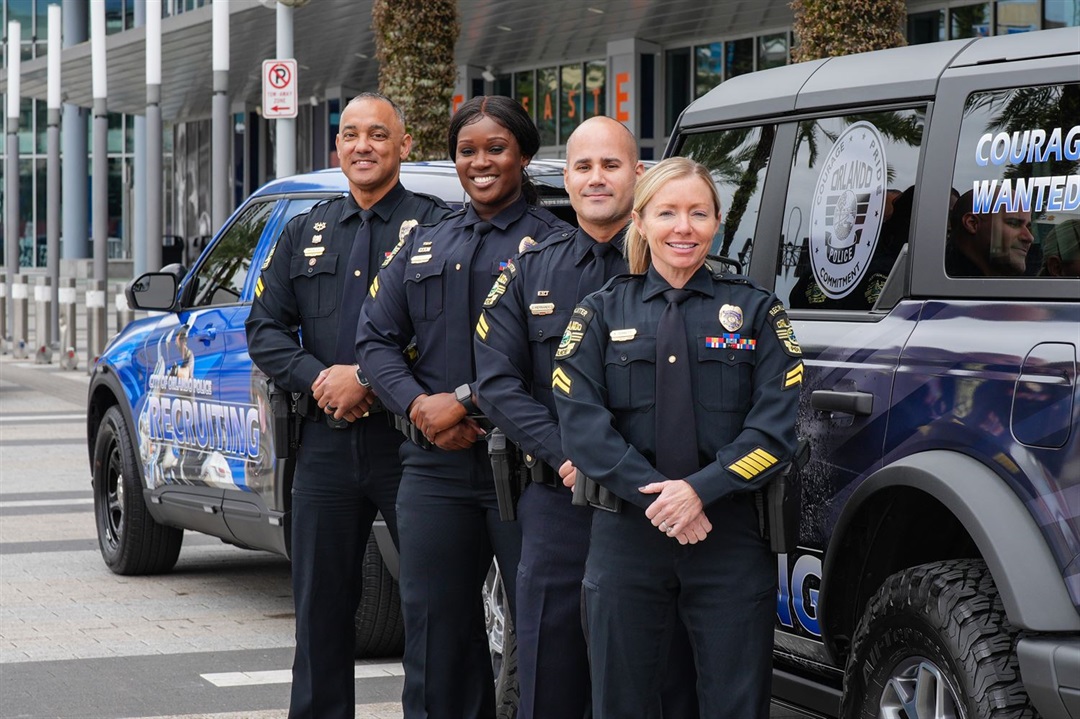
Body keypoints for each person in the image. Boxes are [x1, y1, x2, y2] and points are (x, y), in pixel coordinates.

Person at [552, 157, 802, 718]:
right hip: (625, 538)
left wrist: (700, 492)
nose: (682, 227)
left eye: (698, 213)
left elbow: (775, 428)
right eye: (667, 212)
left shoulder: (759, 312)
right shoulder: (598, 312)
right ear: (640, 221)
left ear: (716, 223)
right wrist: (665, 498)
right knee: (622, 703)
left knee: (735, 705)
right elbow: (582, 425)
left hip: (730, 537)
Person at [473, 116, 698, 719]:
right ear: (565, 179)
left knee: (657, 681)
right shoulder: (528, 272)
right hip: (558, 508)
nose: (596, 178)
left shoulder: (681, 267)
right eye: (583, 166)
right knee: (550, 677)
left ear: (639, 175)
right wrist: (567, 453)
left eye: (611, 165)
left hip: (652, 506)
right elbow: (497, 384)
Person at [356, 95, 570, 718]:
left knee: (539, 635)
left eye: (496, 149)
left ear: (524, 156)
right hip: (434, 470)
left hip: (528, 473)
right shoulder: (424, 242)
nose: (480, 162)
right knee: (434, 632)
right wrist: (420, 405)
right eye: (466, 151)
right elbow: (374, 340)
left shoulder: (556, 246)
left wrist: (464, 403)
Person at [245, 92, 449, 719]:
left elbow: (448, 326)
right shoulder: (305, 229)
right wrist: (319, 380)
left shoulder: (438, 226)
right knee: (319, 607)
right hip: (326, 444)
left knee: (431, 604)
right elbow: (265, 329)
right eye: (351, 135)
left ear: (404, 146)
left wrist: (366, 376)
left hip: (410, 446)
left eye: (378, 135)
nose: (364, 146)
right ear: (337, 149)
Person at [947, 189, 1034, 276]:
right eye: (1014, 223)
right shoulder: (945, 282)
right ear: (972, 223)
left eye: (1028, 227)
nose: (1029, 237)